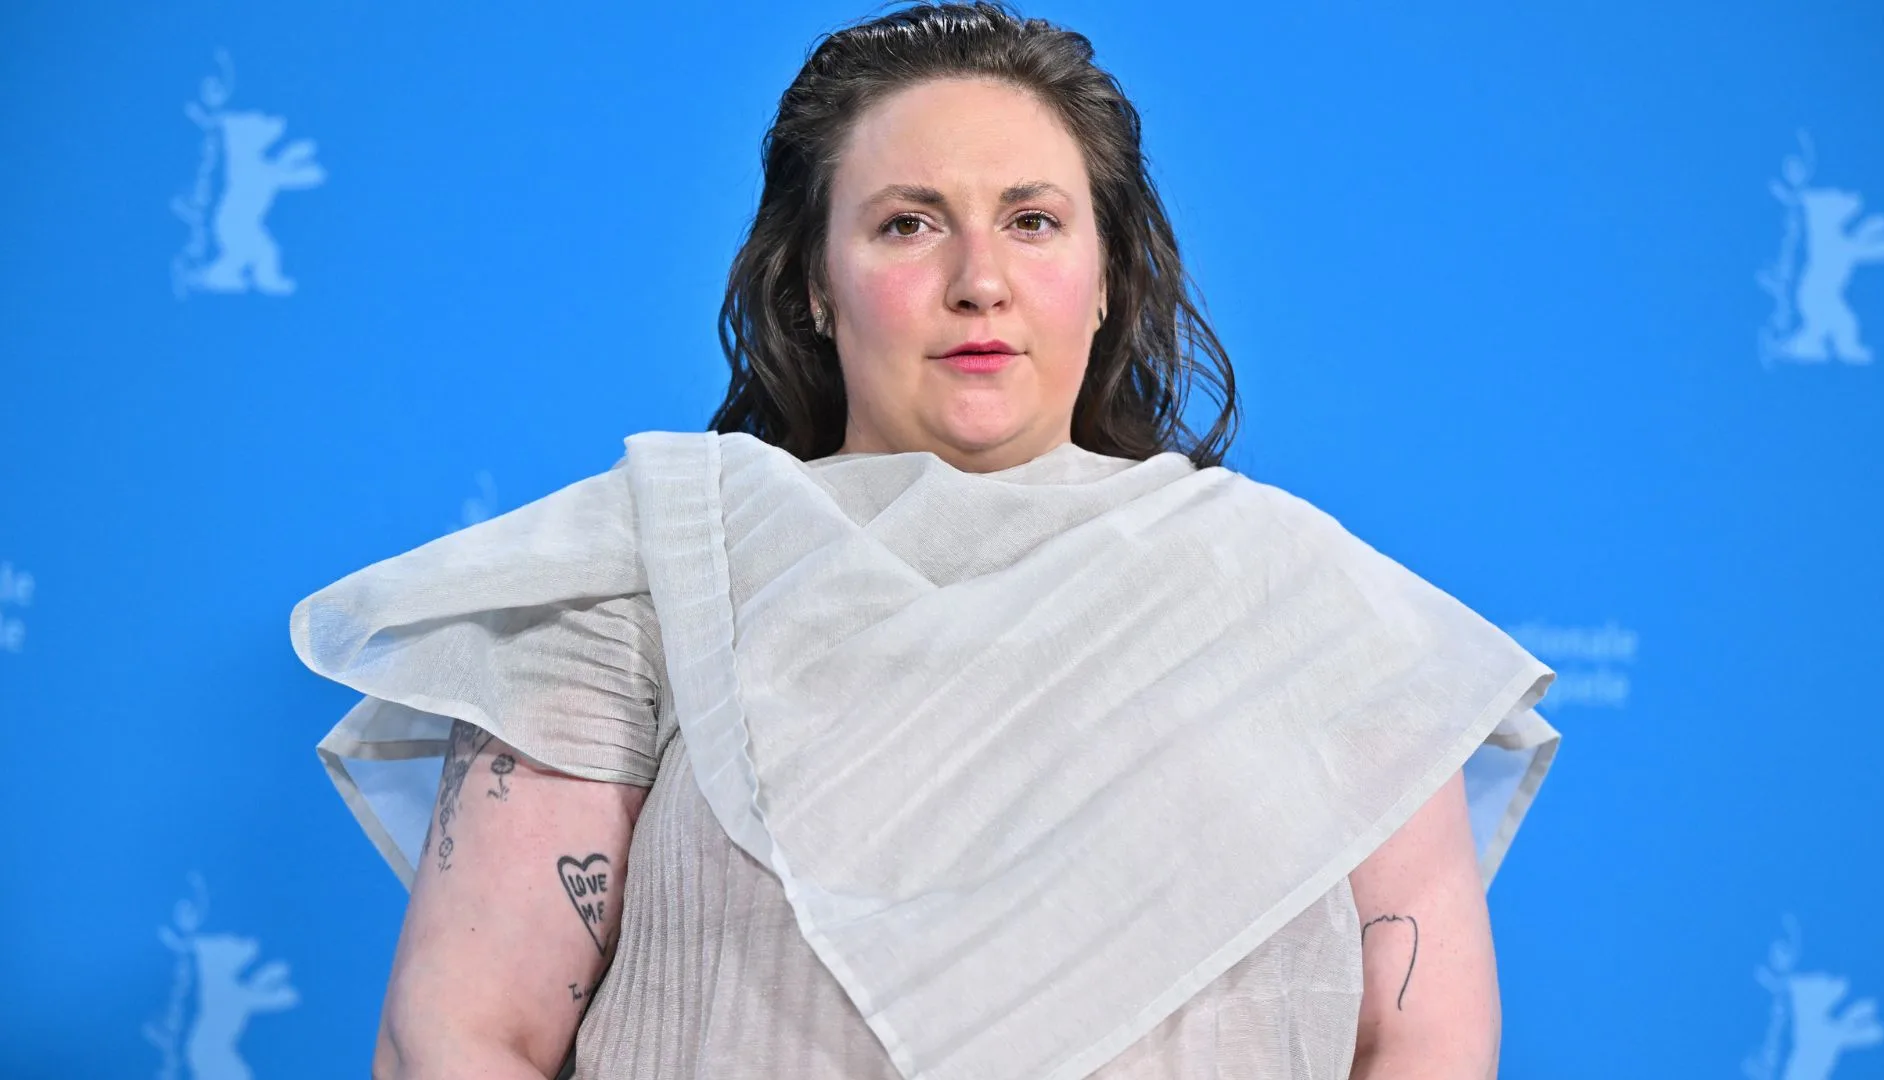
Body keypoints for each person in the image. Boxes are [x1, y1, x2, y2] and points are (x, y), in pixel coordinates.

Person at [290, 3, 1561, 1077]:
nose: (978, 280)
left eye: (1033, 220)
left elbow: (1423, 1045)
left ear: (1108, 275)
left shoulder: (1323, 612)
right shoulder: (650, 571)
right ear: (812, 281)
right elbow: (460, 1037)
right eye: (908, 222)